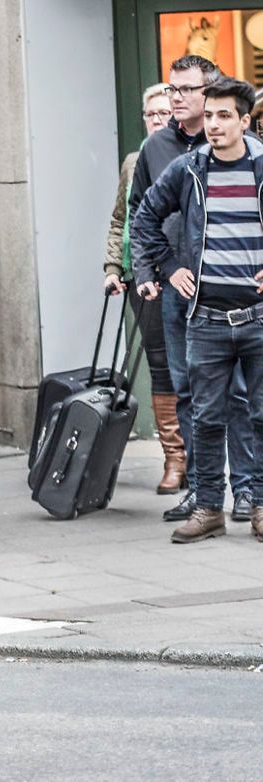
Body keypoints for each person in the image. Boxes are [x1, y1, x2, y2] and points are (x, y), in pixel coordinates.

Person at [134, 78, 263, 544]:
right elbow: (144, 217)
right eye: (208, 116)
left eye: (224, 116)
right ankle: (209, 508)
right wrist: (169, 267)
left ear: (244, 121)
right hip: (205, 317)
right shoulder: (189, 168)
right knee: (206, 419)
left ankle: (260, 505)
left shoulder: (262, 166)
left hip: (258, 316)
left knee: (260, 416)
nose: (213, 125)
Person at [104, 84, 183, 494]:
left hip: (185, 274)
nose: (157, 120)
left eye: (164, 113)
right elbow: (122, 218)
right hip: (143, 277)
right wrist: (113, 267)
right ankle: (174, 459)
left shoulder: (190, 157)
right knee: (160, 364)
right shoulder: (134, 162)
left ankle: (204, 460)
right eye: (151, 114)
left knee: (199, 366)